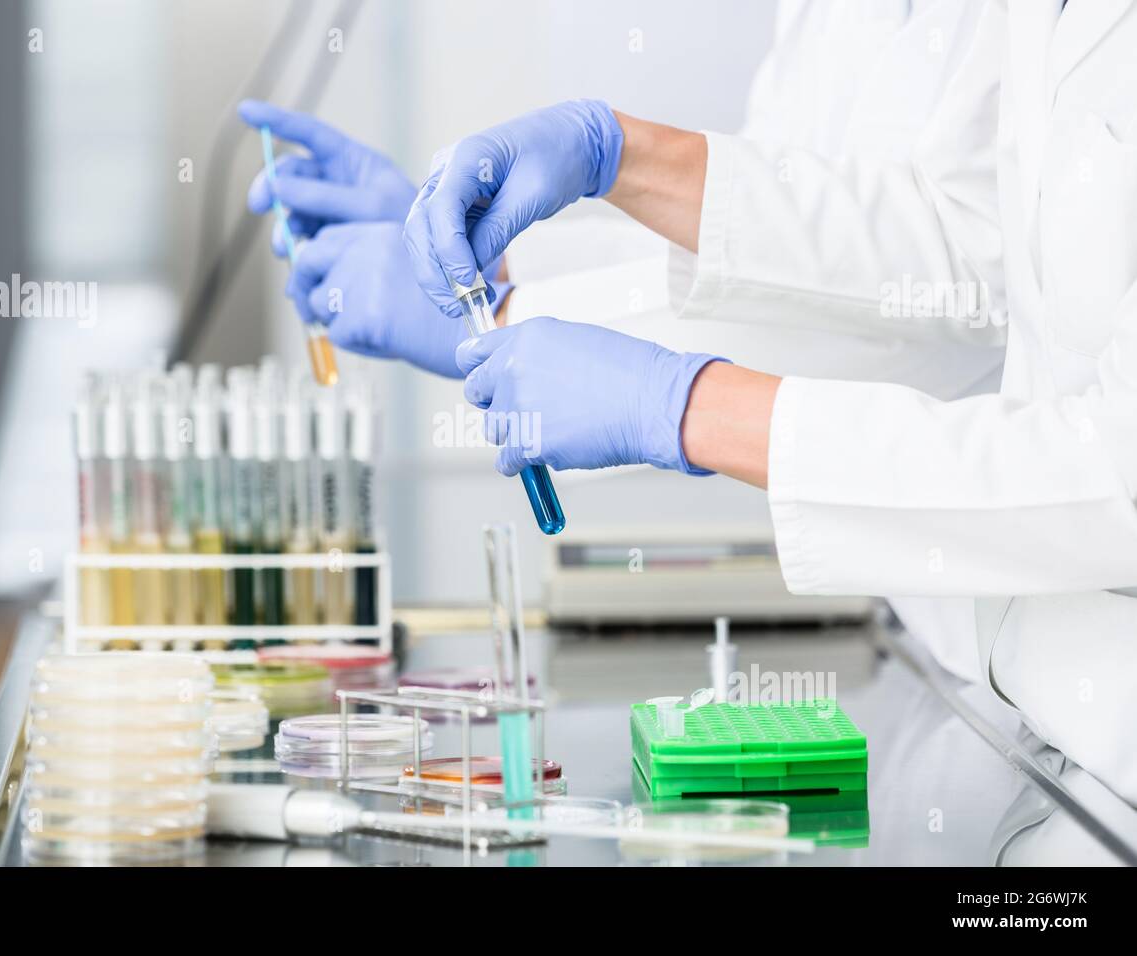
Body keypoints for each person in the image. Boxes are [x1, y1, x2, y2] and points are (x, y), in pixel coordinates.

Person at [402, 2, 1137, 802]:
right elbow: (958, 240)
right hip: (1033, 722)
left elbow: (1118, 470)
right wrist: (615, 155)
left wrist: (683, 406)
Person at [239, 0, 1000, 681]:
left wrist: (518, 304)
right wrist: (497, 262)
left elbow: (944, 293)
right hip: (927, 625)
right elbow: (774, 258)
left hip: (1021, 617)